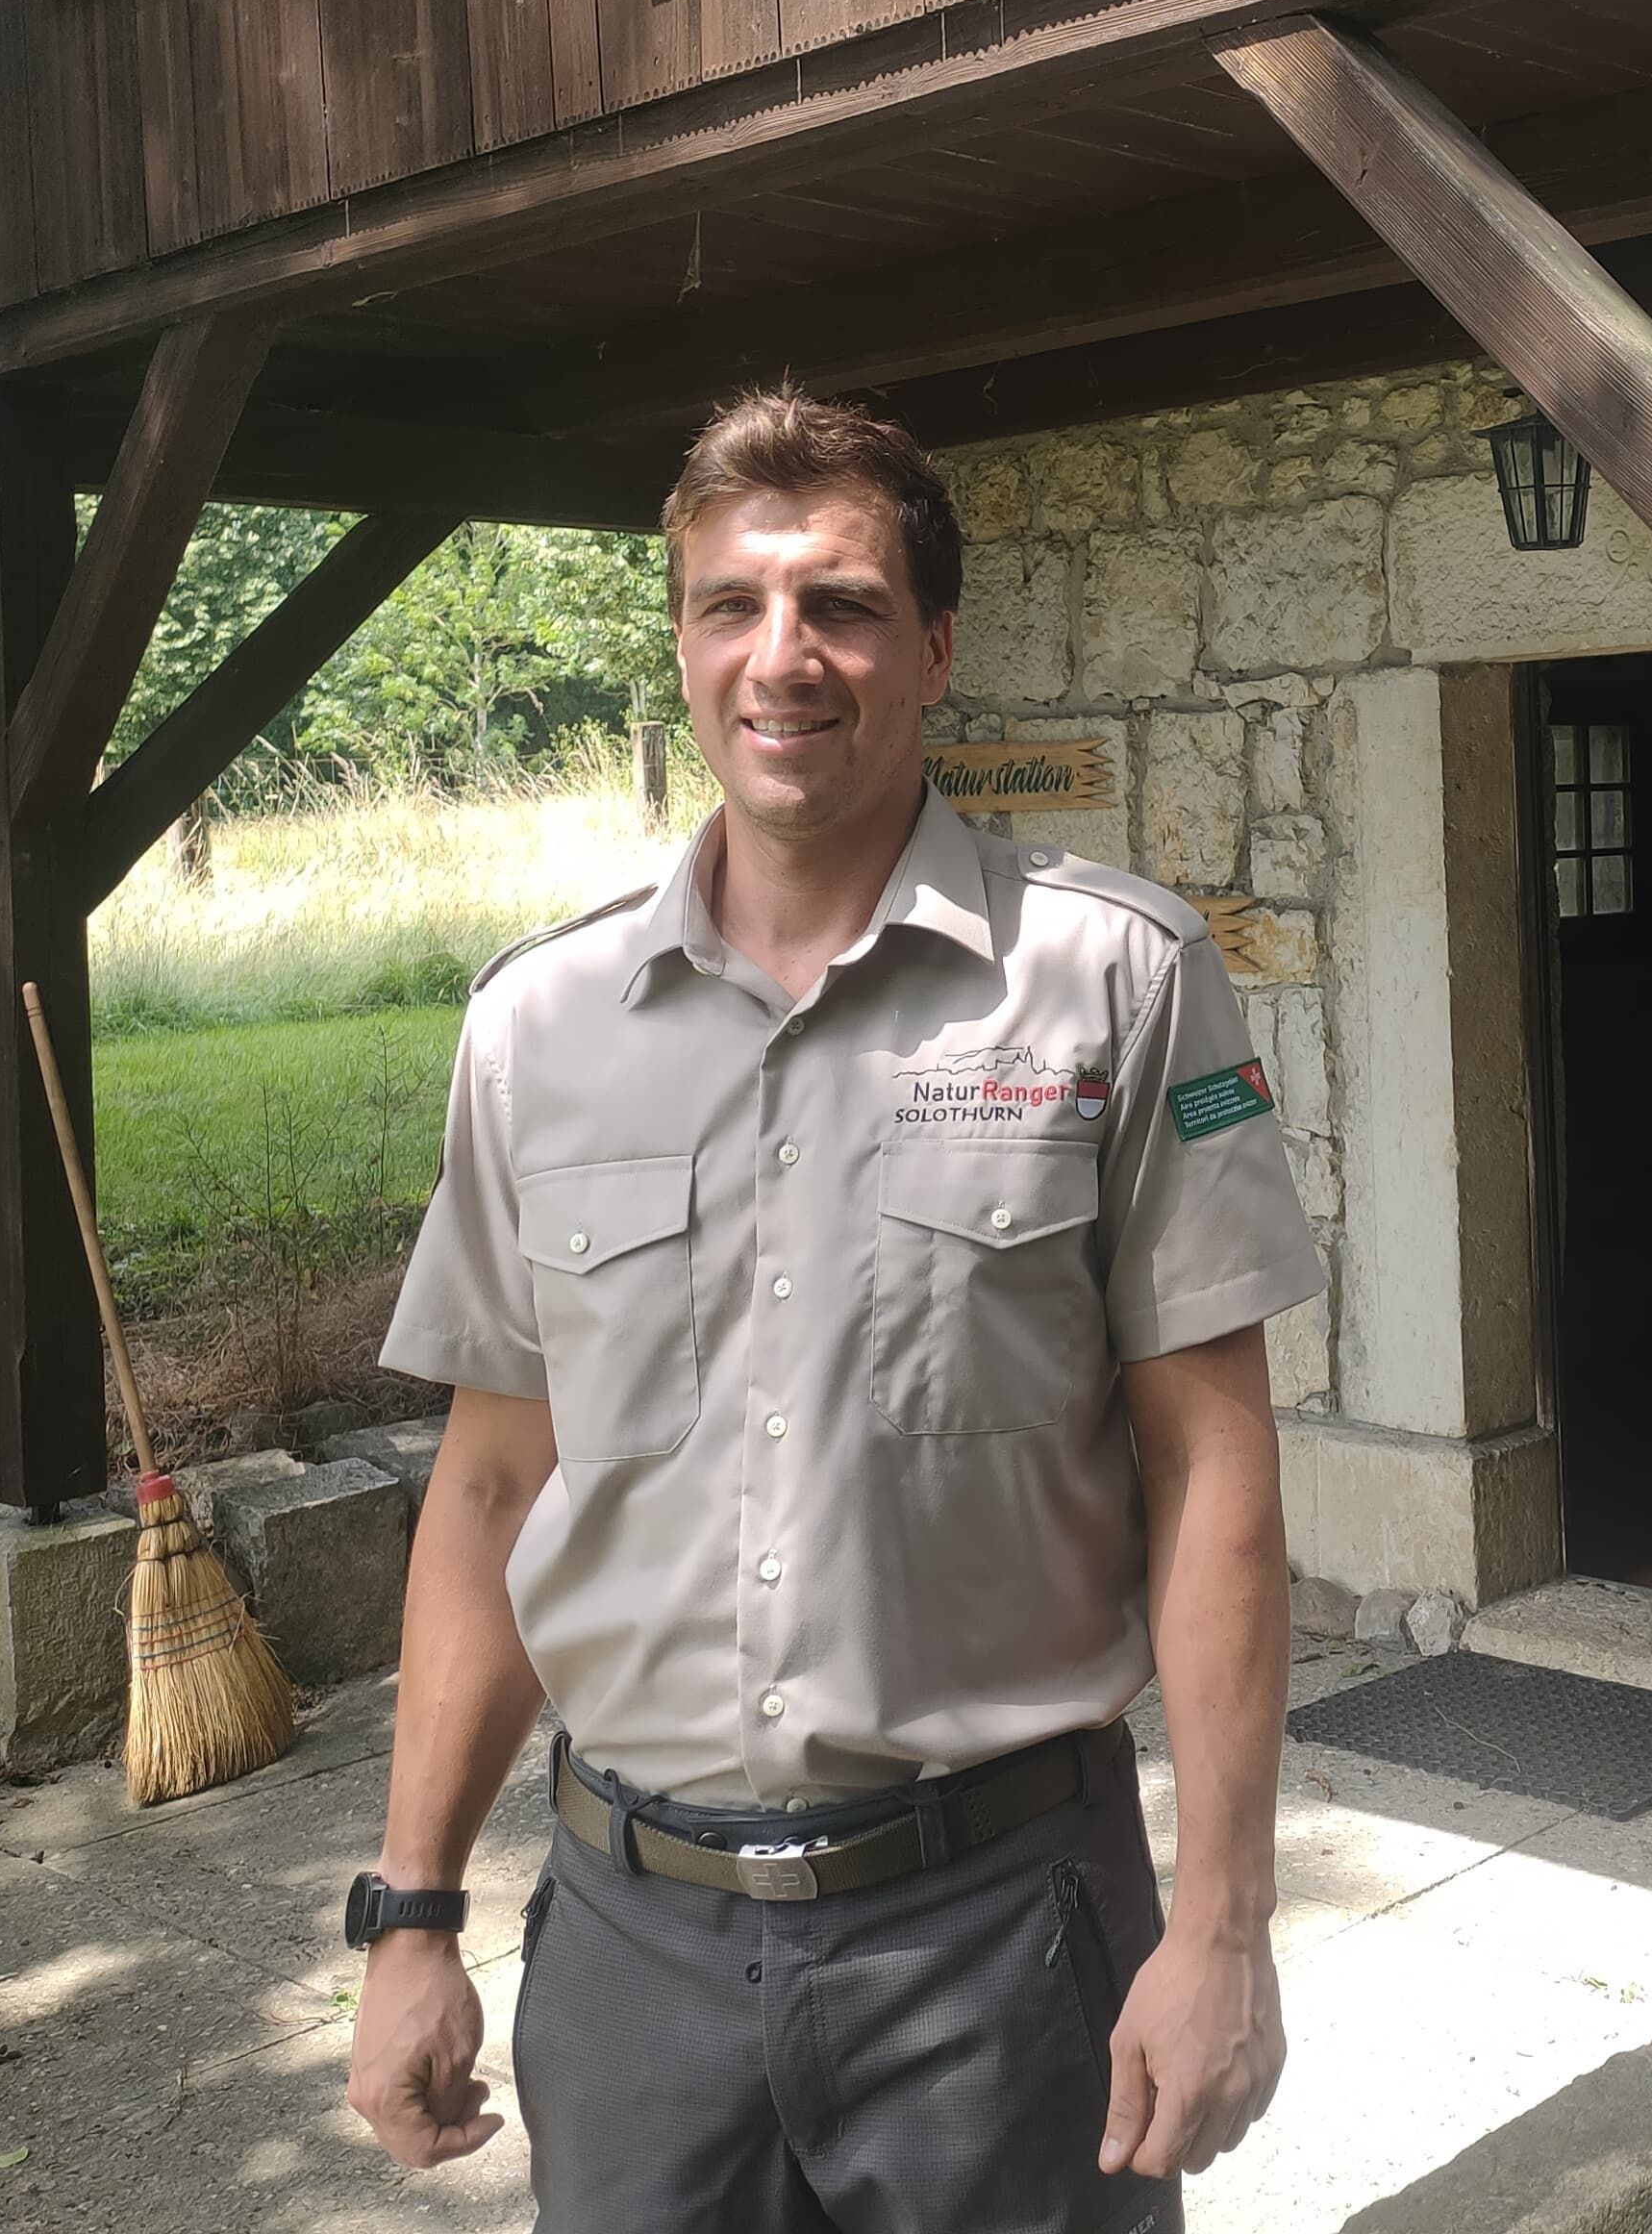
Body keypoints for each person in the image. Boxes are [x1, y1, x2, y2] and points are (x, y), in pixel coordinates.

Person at [340, 389, 1321, 2232]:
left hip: (1001, 1944)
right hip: (632, 1951)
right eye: (733, 604)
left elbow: (1215, 1470)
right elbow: (489, 1487)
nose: (782, 656)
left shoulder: (1113, 979)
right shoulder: (538, 1027)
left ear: (933, 649)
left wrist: (1222, 1923)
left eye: (843, 606)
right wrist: (409, 1914)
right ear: (683, 644)